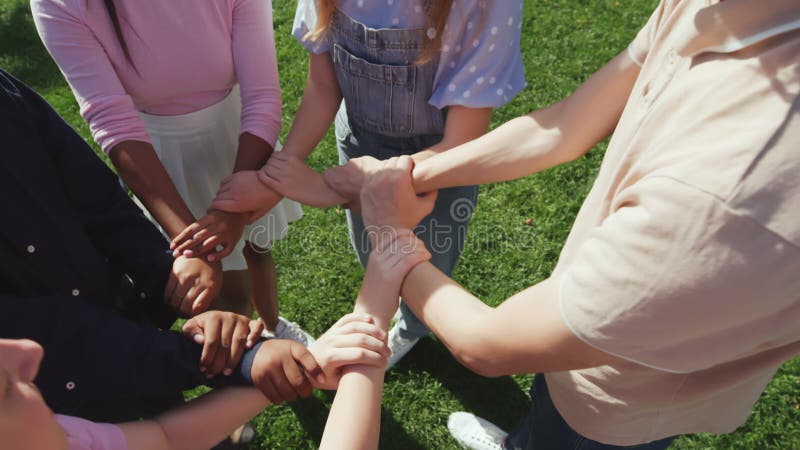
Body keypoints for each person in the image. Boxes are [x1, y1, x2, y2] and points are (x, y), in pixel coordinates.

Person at [344, 0, 800, 449]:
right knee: (544, 420)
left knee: (569, 435)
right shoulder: (724, 8)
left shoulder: (734, 199)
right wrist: (406, 175)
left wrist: (389, 235)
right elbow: (568, 122)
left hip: (616, 404)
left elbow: (489, 344)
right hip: (584, 337)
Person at [0, 67, 390, 441]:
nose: (24, 354)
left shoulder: (8, 92)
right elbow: (57, 341)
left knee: (165, 410)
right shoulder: (59, 423)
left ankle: (215, 431)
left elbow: (95, 196)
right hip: (83, 384)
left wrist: (175, 276)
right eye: (3, 388)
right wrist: (233, 359)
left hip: (121, 321)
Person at [204, 0, 527, 369]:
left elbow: (460, 145)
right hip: (360, 143)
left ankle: (413, 325)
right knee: (372, 248)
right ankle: (402, 312)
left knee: (431, 258)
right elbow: (324, 84)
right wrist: (280, 172)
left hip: (440, 170)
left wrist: (328, 187)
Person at [30, 0, 312, 345]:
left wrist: (232, 208)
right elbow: (113, 121)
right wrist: (193, 243)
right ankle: (248, 361)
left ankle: (273, 325)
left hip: (242, 138)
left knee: (257, 245)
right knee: (226, 292)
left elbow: (262, 96)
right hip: (158, 164)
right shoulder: (61, 4)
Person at [0, 309, 390, 450]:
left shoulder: (67, 437)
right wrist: (379, 292)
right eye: (2, 388)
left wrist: (310, 361)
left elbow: (167, 438)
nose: (28, 350)